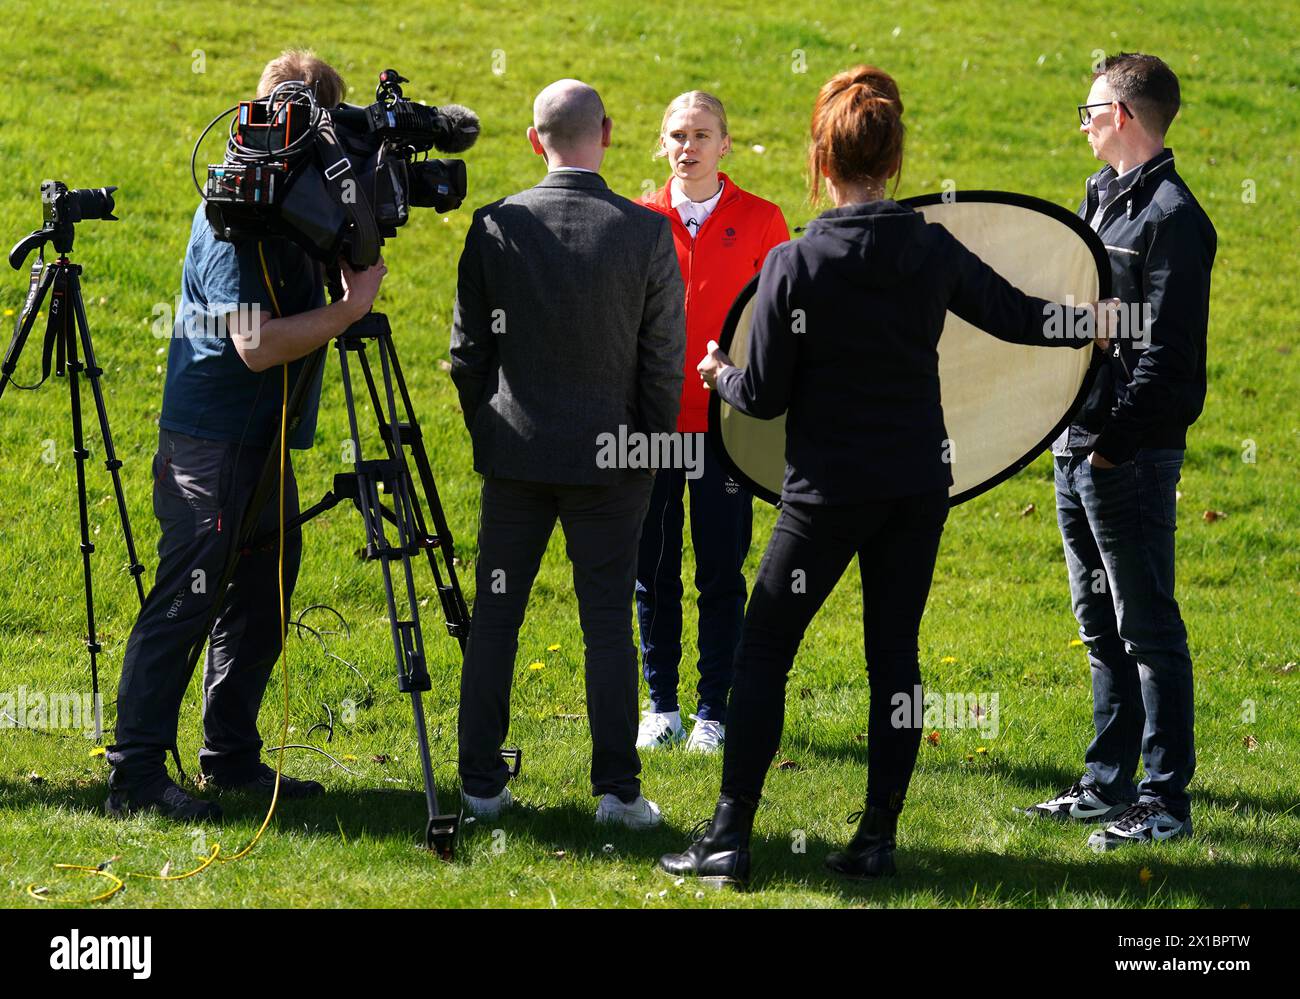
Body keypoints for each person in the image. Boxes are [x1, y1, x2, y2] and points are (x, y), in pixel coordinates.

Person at [658, 65, 1111, 887]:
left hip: (826, 495)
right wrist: (1100, 321)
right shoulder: (930, 246)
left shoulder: (798, 262)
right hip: (915, 487)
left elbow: (759, 397)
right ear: (894, 160)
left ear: (821, 161)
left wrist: (718, 368)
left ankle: (727, 840)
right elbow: (1018, 316)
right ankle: (877, 838)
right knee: (893, 657)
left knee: (763, 651)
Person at [106, 50, 387, 820]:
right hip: (213, 440)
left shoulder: (294, 200)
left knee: (263, 586)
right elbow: (256, 344)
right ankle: (133, 773)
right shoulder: (236, 209)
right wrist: (350, 308)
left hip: (260, 439)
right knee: (189, 595)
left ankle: (229, 756)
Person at [450, 79, 686, 828]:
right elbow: (662, 364)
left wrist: (491, 433)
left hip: (515, 458)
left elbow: (467, 356)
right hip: (613, 462)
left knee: (494, 617)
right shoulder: (646, 234)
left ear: (534, 140)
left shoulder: (495, 226)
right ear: (608, 133)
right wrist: (645, 449)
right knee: (608, 623)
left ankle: (479, 784)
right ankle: (617, 790)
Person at [1024, 53, 1216, 852]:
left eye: (1091, 108)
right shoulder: (1100, 202)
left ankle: (1164, 800)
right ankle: (1108, 784)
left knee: (1148, 627)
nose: (1085, 120)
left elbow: (1172, 365)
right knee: (1099, 624)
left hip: (1123, 454)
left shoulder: (1174, 216)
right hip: (1079, 443)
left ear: (1127, 117)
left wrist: (1111, 447)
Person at [633, 91, 789, 754]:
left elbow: (782, 325)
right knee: (653, 570)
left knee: (722, 572)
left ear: (726, 144)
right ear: (662, 143)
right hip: (653, 427)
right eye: (676, 134)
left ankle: (712, 711)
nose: (688, 146)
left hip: (728, 427)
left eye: (701, 134)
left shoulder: (763, 220)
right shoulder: (636, 220)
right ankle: (660, 705)